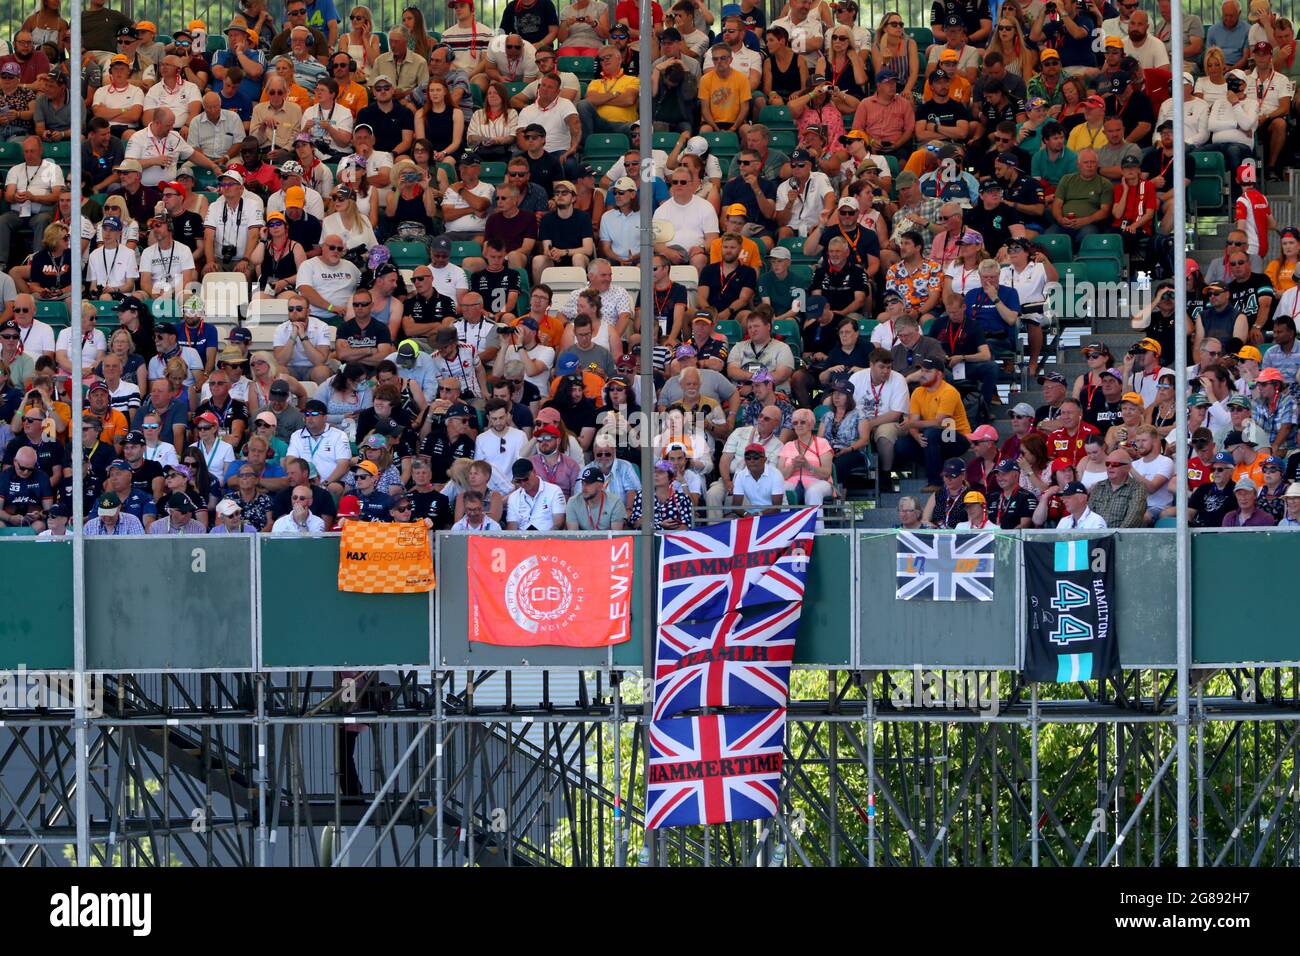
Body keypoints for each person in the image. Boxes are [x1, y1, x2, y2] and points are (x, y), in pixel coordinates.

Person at [895, 357, 972, 491]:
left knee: (931, 433)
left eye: (928, 371)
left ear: (939, 374)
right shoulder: (918, 392)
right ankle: (938, 464)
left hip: (956, 437)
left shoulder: (949, 391)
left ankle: (936, 482)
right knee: (902, 444)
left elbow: (940, 423)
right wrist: (916, 436)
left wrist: (911, 425)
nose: (922, 374)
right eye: (921, 371)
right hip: (934, 438)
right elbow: (913, 422)